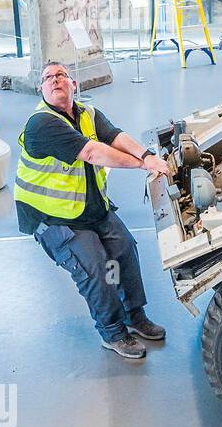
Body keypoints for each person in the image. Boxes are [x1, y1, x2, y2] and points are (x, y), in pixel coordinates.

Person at [16, 62, 171, 361]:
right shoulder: (41, 124)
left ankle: (133, 316)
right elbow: (92, 152)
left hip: (90, 207)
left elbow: (113, 136)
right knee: (95, 269)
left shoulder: (87, 113)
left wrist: (147, 154)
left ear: (73, 84)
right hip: (55, 218)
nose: (55, 80)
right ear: (41, 89)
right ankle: (112, 333)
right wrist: (143, 165)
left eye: (61, 75)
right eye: (48, 78)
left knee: (124, 249)